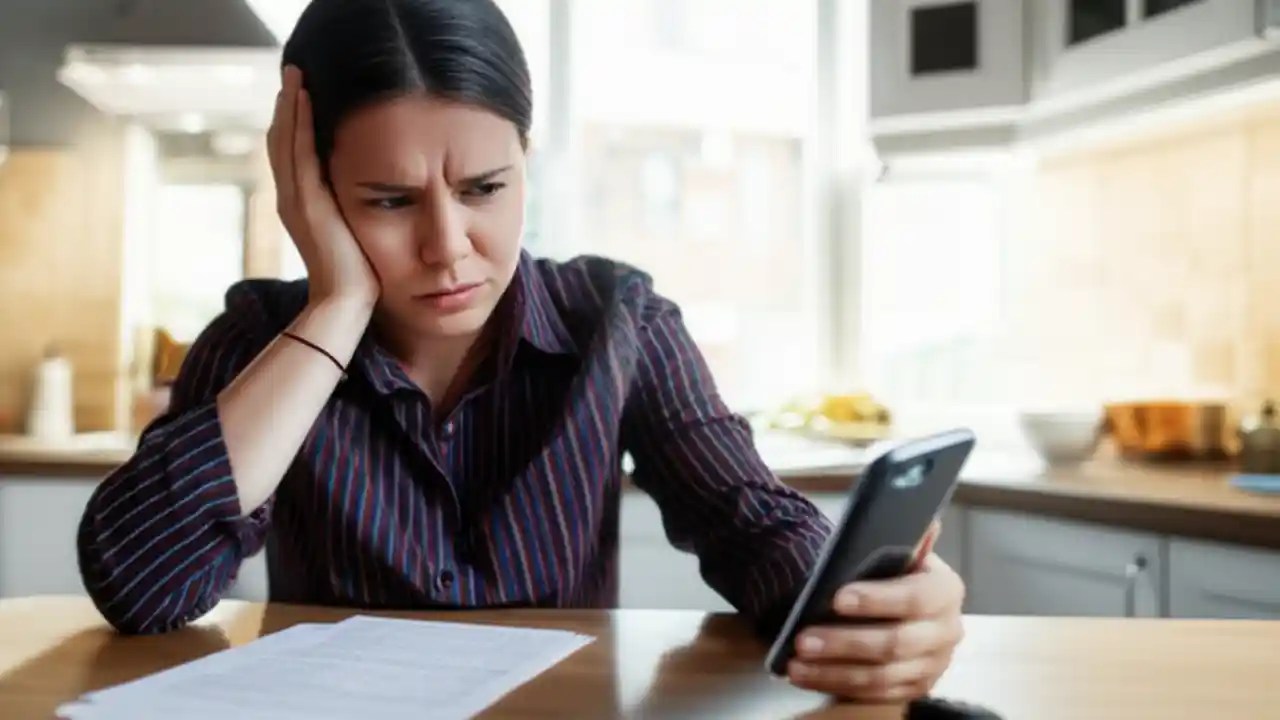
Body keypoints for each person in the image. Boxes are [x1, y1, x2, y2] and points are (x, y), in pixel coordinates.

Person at [75, 0, 964, 702]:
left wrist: (869, 607)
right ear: (311, 190)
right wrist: (339, 302)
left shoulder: (619, 322)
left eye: (484, 188)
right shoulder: (255, 346)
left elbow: (753, 524)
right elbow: (143, 588)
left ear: (526, 161)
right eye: (388, 200)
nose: (449, 244)